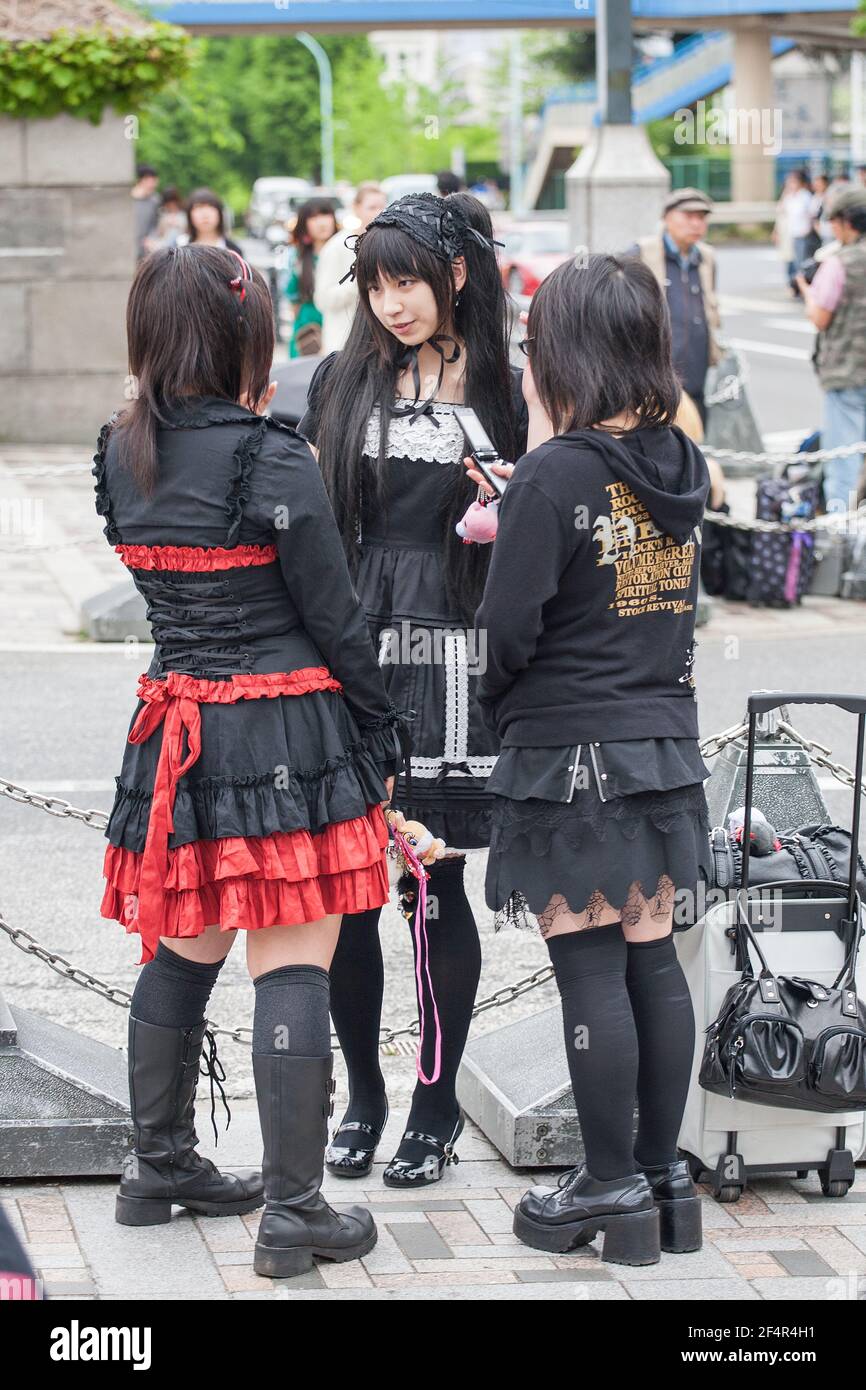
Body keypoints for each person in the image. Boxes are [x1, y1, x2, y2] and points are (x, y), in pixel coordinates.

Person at [93, 243, 410, 1279]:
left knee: (181, 949)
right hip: (286, 732)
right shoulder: (270, 455)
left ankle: (158, 1167)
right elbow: (334, 615)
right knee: (290, 960)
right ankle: (295, 1209)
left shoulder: (116, 453)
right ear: (246, 337)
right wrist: (378, 732)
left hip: (177, 728)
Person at [473, 252, 713, 1266]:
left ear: (559, 353)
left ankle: (606, 1184)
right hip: (659, 744)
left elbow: (505, 626)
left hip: (571, 753)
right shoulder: (678, 464)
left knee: (586, 967)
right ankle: (659, 1182)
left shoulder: (557, 470)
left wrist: (499, 706)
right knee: (651, 956)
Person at [296, 191, 527, 1186]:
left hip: (456, 655)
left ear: (457, 277)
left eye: (409, 281)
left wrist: (508, 504)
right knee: (350, 890)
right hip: (352, 652)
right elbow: (308, 523)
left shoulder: (507, 390)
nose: (392, 302)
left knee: (434, 885)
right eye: (377, 283)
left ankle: (432, 1104)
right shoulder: (340, 381)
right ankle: (365, 1094)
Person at [626, 188, 722, 427]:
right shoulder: (642, 253)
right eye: (688, 216)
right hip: (653, 374)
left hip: (697, 371)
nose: (696, 223)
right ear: (667, 217)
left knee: (695, 441)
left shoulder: (706, 258)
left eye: (701, 217)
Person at [797, 188, 866, 513]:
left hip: (847, 373)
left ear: (846, 223)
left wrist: (807, 292)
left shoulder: (838, 264)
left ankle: (841, 532)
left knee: (844, 459)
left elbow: (821, 317)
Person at [313, 183, 387, 353]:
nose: (379, 212)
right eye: (372, 207)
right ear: (356, 208)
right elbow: (322, 299)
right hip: (344, 344)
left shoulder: (386, 245)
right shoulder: (338, 246)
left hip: (379, 344)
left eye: (383, 206)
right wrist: (361, 284)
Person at [285, 198, 339, 357]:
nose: (322, 222)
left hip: (338, 323)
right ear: (305, 223)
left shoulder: (346, 251)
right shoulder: (298, 257)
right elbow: (293, 298)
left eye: (326, 215)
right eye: (314, 217)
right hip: (308, 327)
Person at [175, 187, 243, 254]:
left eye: (211, 207)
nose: (205, 214)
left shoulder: (233, 251)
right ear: (189, 214)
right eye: (198, 207)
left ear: (219, 213)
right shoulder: (179, 247)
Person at [132, 164, 160, 260]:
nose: (154, 184)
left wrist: (151, 237)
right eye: (151, 180)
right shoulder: (127, 200)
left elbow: (155, 223)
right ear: (142, 180)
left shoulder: (155, 200)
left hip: (145, 249)